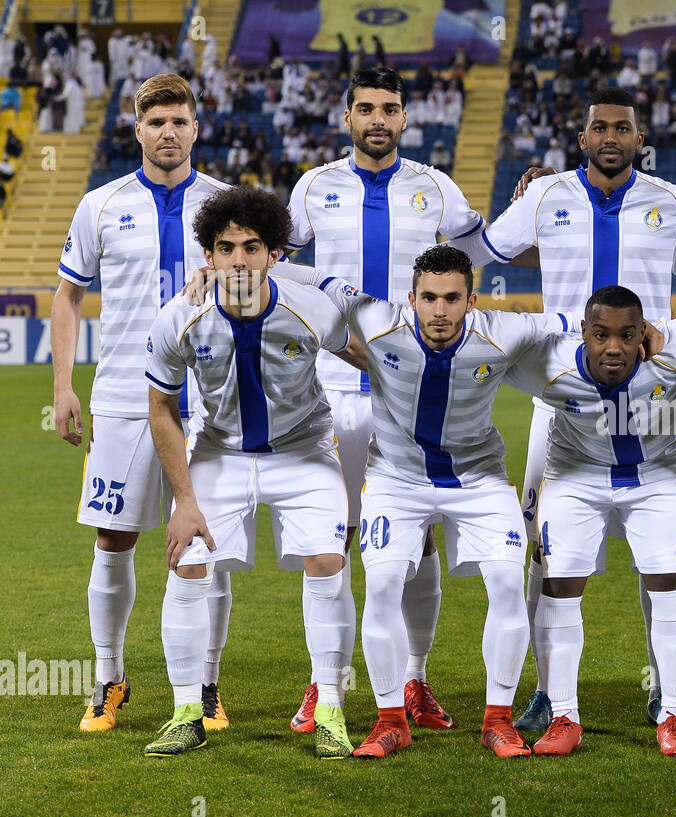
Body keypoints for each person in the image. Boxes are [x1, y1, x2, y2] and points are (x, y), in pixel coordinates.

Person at [451, 86, 676, 734]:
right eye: (601, 128)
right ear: (583, 136)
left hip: (646, 397)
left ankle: (664, 694)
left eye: (624, 128)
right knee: (548, 549)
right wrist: (523, 205)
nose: (612, 138)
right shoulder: (546, 196)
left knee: (660, 555)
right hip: (560, 393)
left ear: (639, 137)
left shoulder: (671, 203)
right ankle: (547, 691)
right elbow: (483, 251)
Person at [275, 245, 581, 759]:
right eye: (429, 298)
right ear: (411, 298)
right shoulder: (376, 316)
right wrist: (235, 270)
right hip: (396, 478)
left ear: (472, 300)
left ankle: (497, 721)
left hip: (479, 479)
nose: (440, 311)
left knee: (508, 581)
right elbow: (316, 277)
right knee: (384, 581)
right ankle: (391, 719)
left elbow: (578, 317)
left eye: (453, 299)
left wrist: (648, 330)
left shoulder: (505, 331)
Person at [287, 66, 486, 736]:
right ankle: (326, 682)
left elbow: (482, 254)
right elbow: (279, 270)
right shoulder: (313, 188)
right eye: (366, 108)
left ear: (406, 118)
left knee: (420, 535)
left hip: (416, 393)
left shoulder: (436, 189)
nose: (378, 119)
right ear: (348, 117)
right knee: (330, 536)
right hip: (331, 392)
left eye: (390, 109)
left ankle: (415, 678)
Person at [145, 186, 362, 758]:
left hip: (305, 452)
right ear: (208, 256)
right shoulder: (180, 317)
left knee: (327, 562)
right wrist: (185, 501)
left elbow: (374, 362)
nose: (238, 260)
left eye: (251, 247)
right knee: (188, 563)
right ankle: (187, 709)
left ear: (273, 254)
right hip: (219, 453)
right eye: (226, 248)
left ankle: (332, 710)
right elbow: (161, 410)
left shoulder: (312, 309)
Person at [52, 73, 232, 736]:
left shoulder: (223, 204)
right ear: (137, 129)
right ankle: (108, 677)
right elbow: (67, 296)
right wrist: (63, 385)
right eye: (156, 122)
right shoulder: (100, 205)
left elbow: (267, 273)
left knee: (203, 543)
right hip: (125, 396)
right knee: (112, 537)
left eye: (179, 121)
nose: (168, 132)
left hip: (210, 400)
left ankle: (207, 684)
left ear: (195, 126)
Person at [507, 285, 676, 757]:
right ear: (583, 333)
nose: (613, 347)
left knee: (670, 582)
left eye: (626, 334)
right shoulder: (550, 362)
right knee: (558, 583)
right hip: (576, 477)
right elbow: (489, 352)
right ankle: (563, 716)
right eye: (600, 335)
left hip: (655, 478)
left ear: (645, 333)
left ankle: (674, 717)